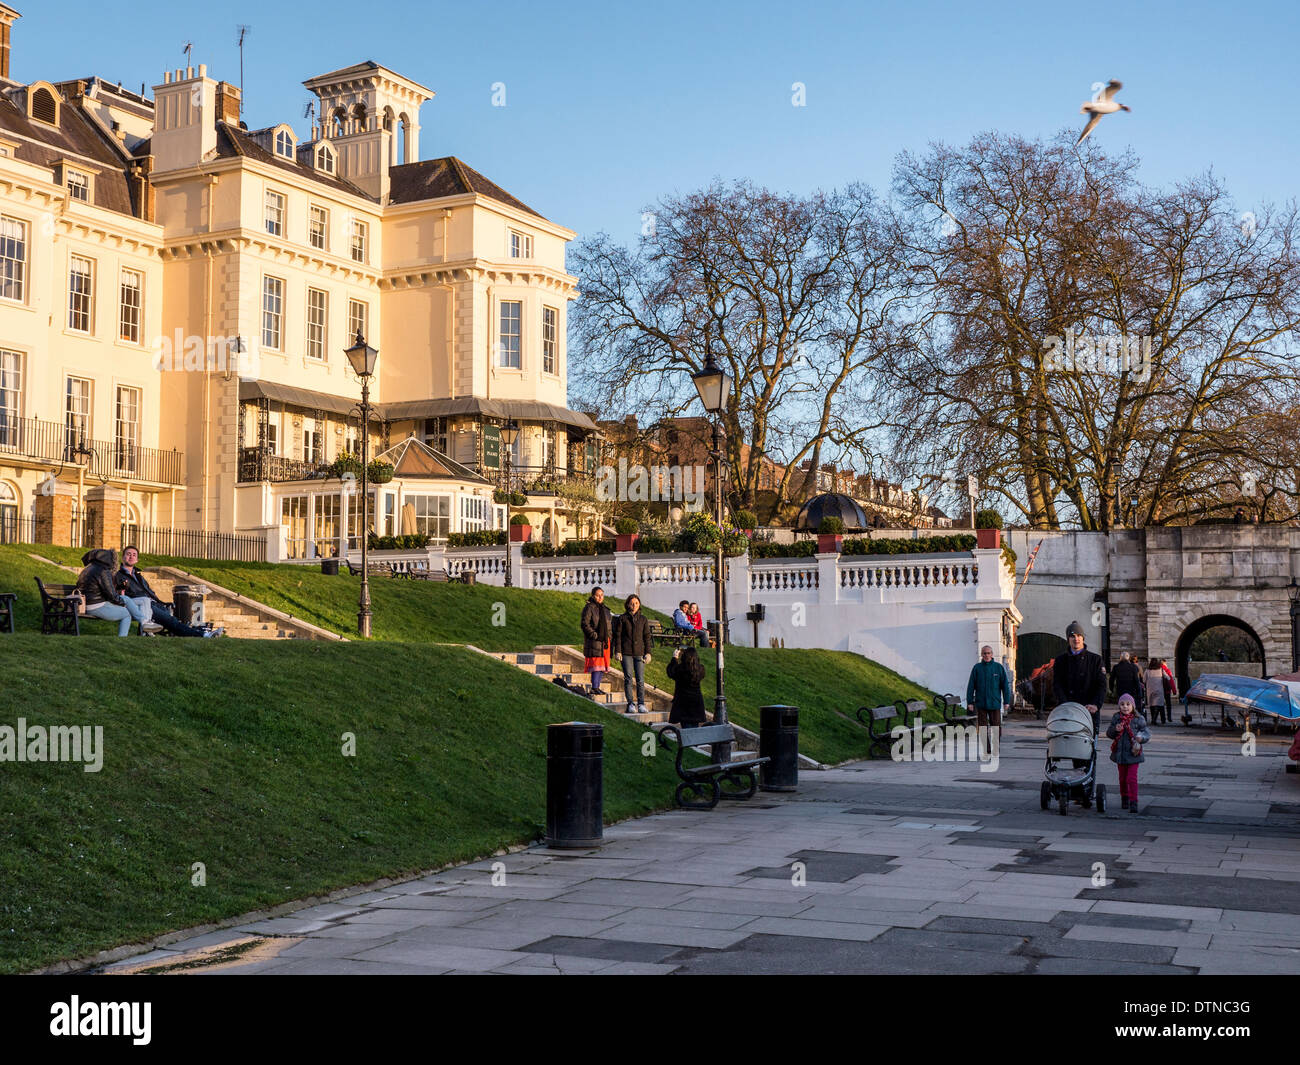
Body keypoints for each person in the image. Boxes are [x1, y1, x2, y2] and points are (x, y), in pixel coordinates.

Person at [118, 546, 224, 638]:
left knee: (174, 618)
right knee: (171, 621)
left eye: (134, 555)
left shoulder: (139, 576)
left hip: (153, 603)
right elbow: (122, 594)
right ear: (123, 557)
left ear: (137, 560)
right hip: (139, 605)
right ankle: (203, 635)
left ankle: (200, 632)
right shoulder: (119, 575)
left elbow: (151, 593)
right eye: (128, 554)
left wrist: (162, 603)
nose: (131, 557)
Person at [74, 548, 152, 637]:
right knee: (126, 613)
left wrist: (122, 597)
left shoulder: (88, 569)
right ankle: (123, 638)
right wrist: (123, 603)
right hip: (95, 606)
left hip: (86, 604)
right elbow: (111, 595)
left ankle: (145, 622)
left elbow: (97, 588)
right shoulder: (103, 571)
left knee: (128, 599)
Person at [1051, 620, 1108, 736]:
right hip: (1067, 713)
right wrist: (1065, 704)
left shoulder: (1095, 660)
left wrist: (1095, 704)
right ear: (1068, 639)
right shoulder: (1060, 661)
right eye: (1072, 636)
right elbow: (1057, 685)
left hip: (1089, 712)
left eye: (1079, 636)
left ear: (1083, 638)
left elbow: (1101, 685)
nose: (1076, 639)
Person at [1106, 693, 1150, 813]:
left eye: (1128, 704)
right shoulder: (1116, 718)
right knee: (1122, 779)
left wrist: (1141, 738)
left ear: (1133, 706)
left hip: (1133, 754)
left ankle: (1133, 801)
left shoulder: (1138, 719)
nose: (1125, 707)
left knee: (1131, 778)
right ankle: (1124, 797)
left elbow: (1146, 732)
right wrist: (1115, 729)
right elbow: (1109, 733)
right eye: (1122, 704)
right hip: (1120, 754)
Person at [966, 644, 1012, 755]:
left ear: (992, 654)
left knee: (996, 727)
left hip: (994, 703)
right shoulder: (977, 668)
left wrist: (1006, 701)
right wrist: (970, 702)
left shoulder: (998, 667)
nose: (987, 655)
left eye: (988, 653)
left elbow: (1005, 686)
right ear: (982, 654)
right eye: (984, 653)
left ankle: (995, 748)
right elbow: (971, 685)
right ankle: (986, 750)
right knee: (982, 728)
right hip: (981, 703)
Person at [615, 593, 653, 714]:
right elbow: (618, 636)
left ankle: (641, 704)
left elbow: (647, 637)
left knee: (640, 680)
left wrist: (648, 653)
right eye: (632, 603)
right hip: (626, 653)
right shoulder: (622, 618)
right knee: (628, 678)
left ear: (639, 604)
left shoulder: (643, 619)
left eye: (636, 603)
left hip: (639, 653)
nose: (634, 605)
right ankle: (630, 703)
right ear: (627, 604)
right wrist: (618, 651)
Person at [580, 586, 611, 693]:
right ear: (593, 596)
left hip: (605, 642)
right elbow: (585, 624)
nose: (600, 597)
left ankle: (597, 687)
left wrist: (610, 637)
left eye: (602, 595)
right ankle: (594, 687)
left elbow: (609, 626)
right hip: (595, 641)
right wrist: (594, 635)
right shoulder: (589, 607)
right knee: (596, 665)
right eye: (598, 595)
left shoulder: (606, 610)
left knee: (602, 666)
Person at [666, 646, 708, 725]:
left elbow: (671, 671)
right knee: (694, 728)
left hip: (683, 704)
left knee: (686, 727)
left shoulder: (680, 670)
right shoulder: (700, 669)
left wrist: (674, 658)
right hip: (696, 703)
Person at [1145, 657, 1171, 725]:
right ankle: (1162, 719)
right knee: (1160, 704)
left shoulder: (1147, 670)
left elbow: (1144, 680)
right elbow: (1168, 677)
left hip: (1150, 690)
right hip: (1159, 689)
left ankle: (1154, 719)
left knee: (1152, 705)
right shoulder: (1161, 670)